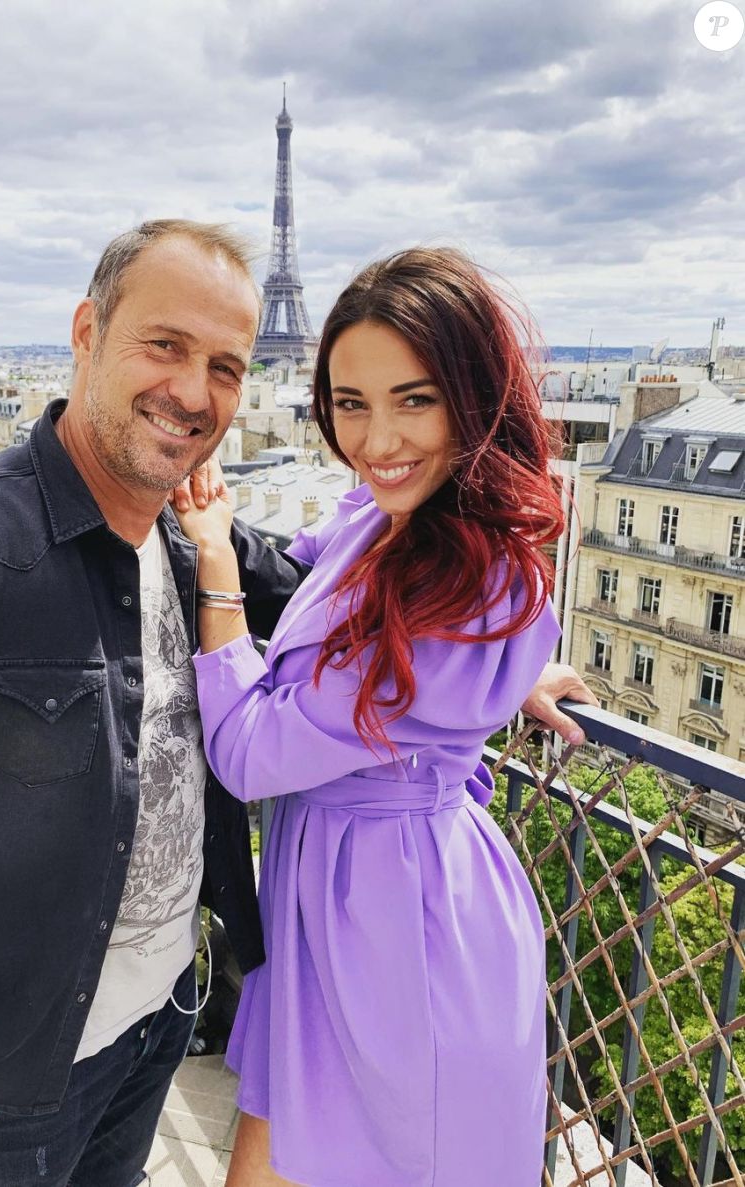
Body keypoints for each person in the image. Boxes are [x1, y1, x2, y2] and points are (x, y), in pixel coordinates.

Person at [0, 222, 589, 1187]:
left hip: (160, 1025)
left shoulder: (184, 543)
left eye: (225, 366)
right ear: (86, 332)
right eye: (164, 344)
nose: (193, 390)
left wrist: (498, 671)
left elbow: (357, 613)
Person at [176, 246, 584, 1187]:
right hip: (340, 902)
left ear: (472, 396)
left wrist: (215, 575)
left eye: (415, 399)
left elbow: (248, 752)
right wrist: (496, 681)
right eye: (351, 403)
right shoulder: (386, 517)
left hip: (402, 929)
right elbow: (310, 584)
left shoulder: (473, 583)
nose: (378, 438)